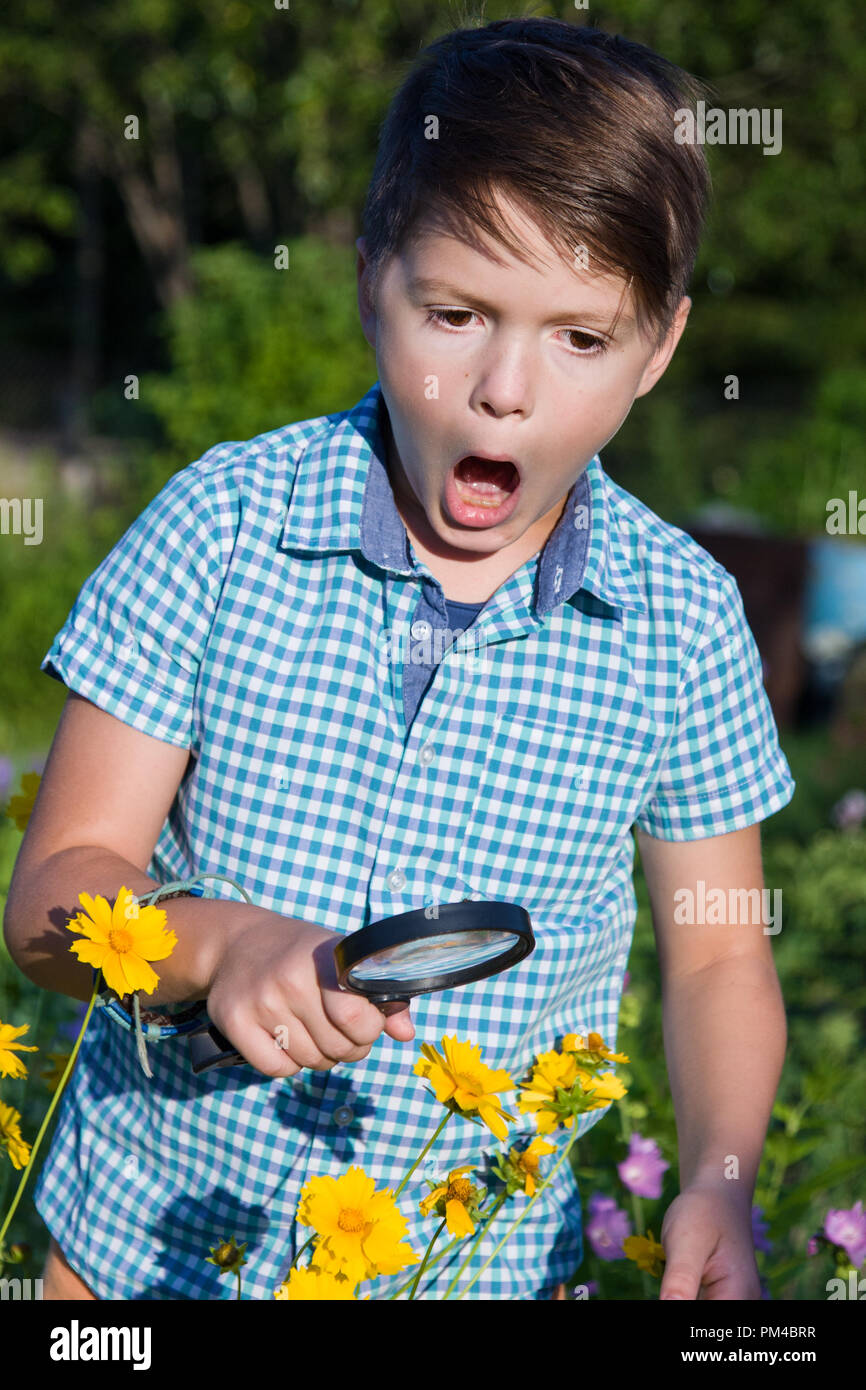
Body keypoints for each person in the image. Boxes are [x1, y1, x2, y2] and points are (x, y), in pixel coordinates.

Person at [3, 18, 794, 1301]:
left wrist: (714, 1180)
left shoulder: (686, 624)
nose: (502, 390)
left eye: (577, 338)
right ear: (370, 277)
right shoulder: (223, 525)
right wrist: (218, 946)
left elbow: (713, 953)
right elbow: (52, 899)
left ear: (659, 348)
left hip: (468, 1272)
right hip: (141, 1259)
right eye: (455, 312)